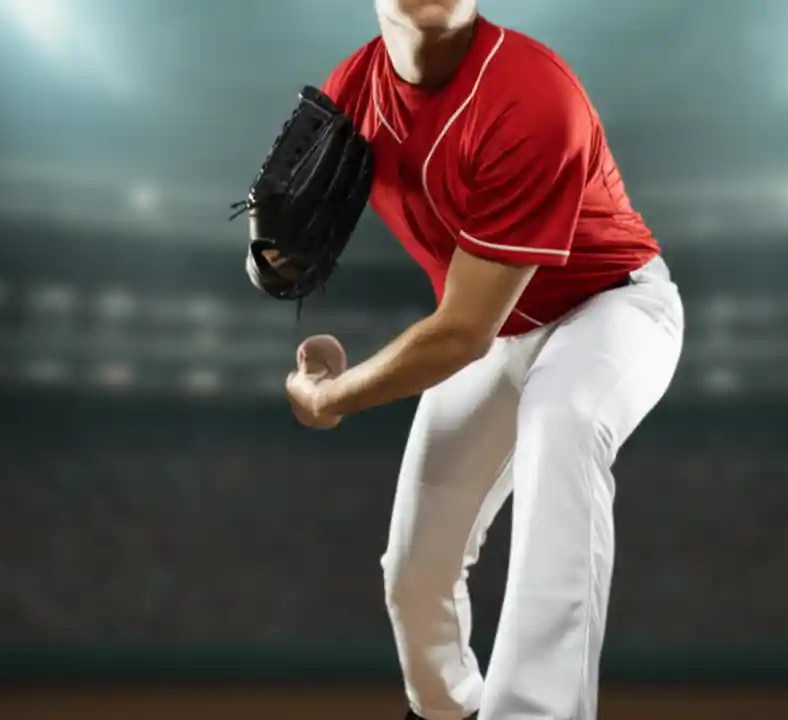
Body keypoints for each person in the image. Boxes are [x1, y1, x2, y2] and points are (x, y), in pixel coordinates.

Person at [280, 1, 684, 718]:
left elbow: (460, 332)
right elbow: (280, 239)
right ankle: (447, 710)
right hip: (505, 333)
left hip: (613, 308)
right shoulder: (350, 91)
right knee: (414, 570)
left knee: (563, 417)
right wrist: (268, 257)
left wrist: (329, 397)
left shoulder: (532, 94)